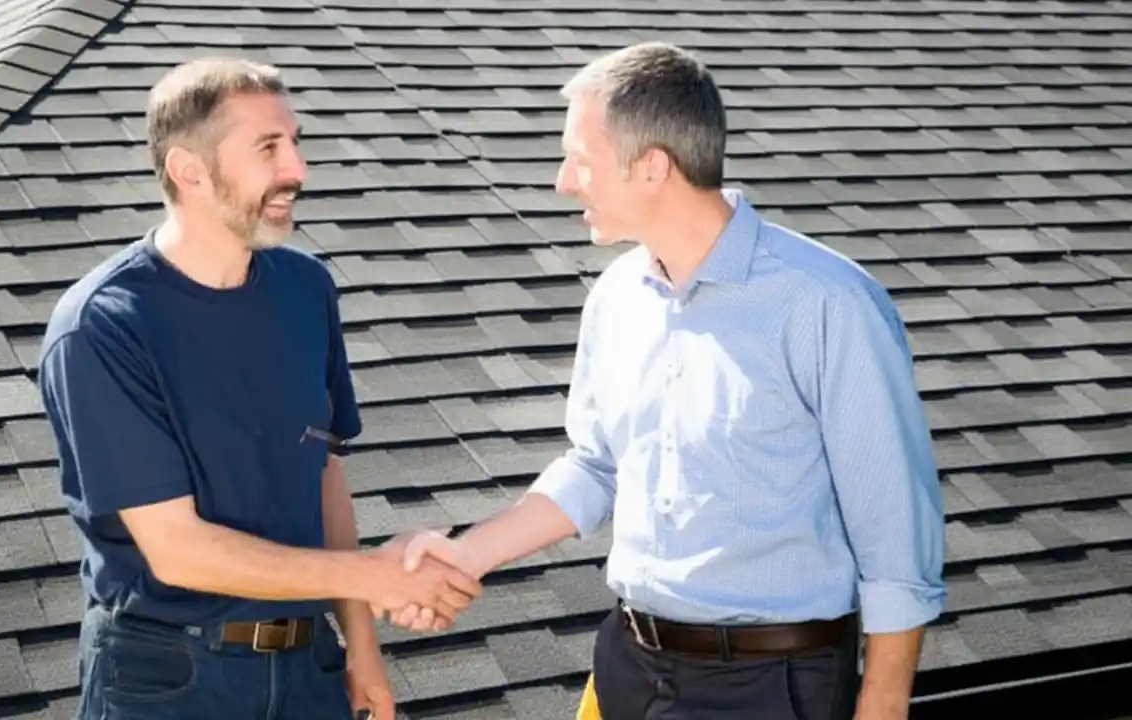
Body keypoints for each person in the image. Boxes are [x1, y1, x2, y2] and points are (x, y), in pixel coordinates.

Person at [378, 42, 946, 720]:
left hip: (771, 688)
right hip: (628, 668)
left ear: (652, 168)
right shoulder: (617, 299)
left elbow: (896, 535)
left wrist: (882, 705)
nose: (565, 181)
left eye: (580, 161)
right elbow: (594, 468)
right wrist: (466, 554)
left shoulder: (827, 304)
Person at [36, 57, 481, 720]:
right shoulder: (103, 326)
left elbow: (324, 473)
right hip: (167, 678)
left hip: (307, 669)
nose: (296, 169)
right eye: (268, 148)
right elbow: (178, 550)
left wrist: (362, 649)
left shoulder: (307, 290)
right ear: (188, 170)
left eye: (295, 142)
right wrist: (379, 576)